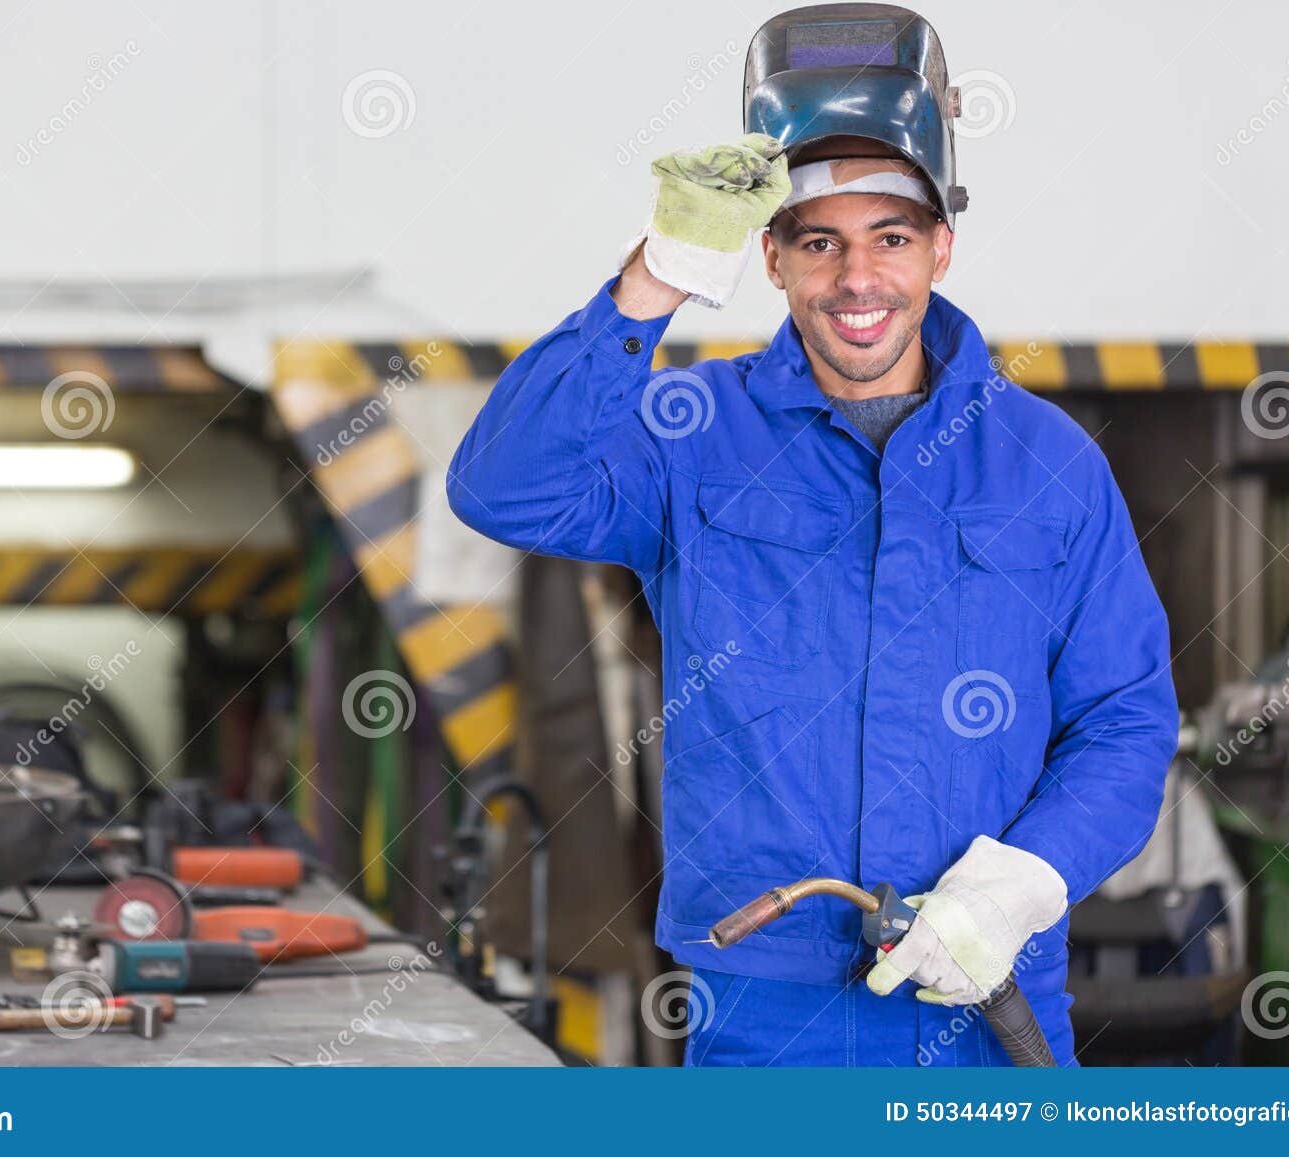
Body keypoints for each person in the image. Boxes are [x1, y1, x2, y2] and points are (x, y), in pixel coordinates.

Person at [446, 5, 1178, 1066]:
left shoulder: (1044, 461)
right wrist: (655, 276)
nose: (857, 278)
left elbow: (1123, 716)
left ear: (941, 247)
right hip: (769, 1008)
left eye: (890, 237)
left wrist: (1028, 876)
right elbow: (506, 489)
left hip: (991, 994)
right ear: (774, 259)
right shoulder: (693, 432)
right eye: (819, 242)